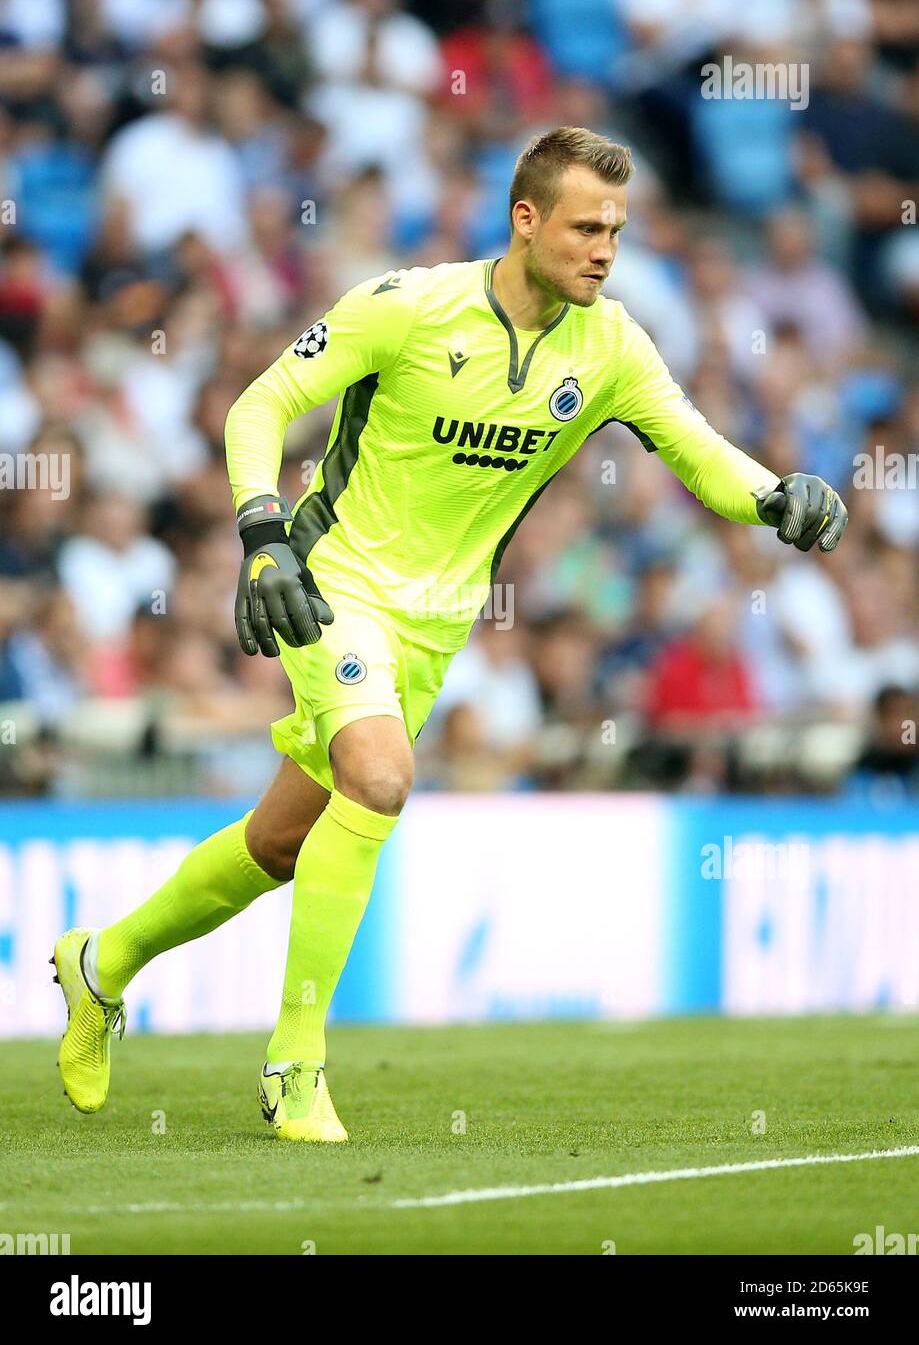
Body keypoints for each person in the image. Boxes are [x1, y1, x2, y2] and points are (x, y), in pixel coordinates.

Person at [51, 126, 848, 1141]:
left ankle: (100, 964)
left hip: (436, 625)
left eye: (616, 229)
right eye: (584, 227)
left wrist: (778, 498)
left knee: (283, 841)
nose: (605, 249)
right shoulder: (409, 306)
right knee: (378, 778)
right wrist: (261, 532)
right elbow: (263, 404)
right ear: (525, 220)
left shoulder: (608, 346)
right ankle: (295, 1063)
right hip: (328, 580)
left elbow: (697, 454)